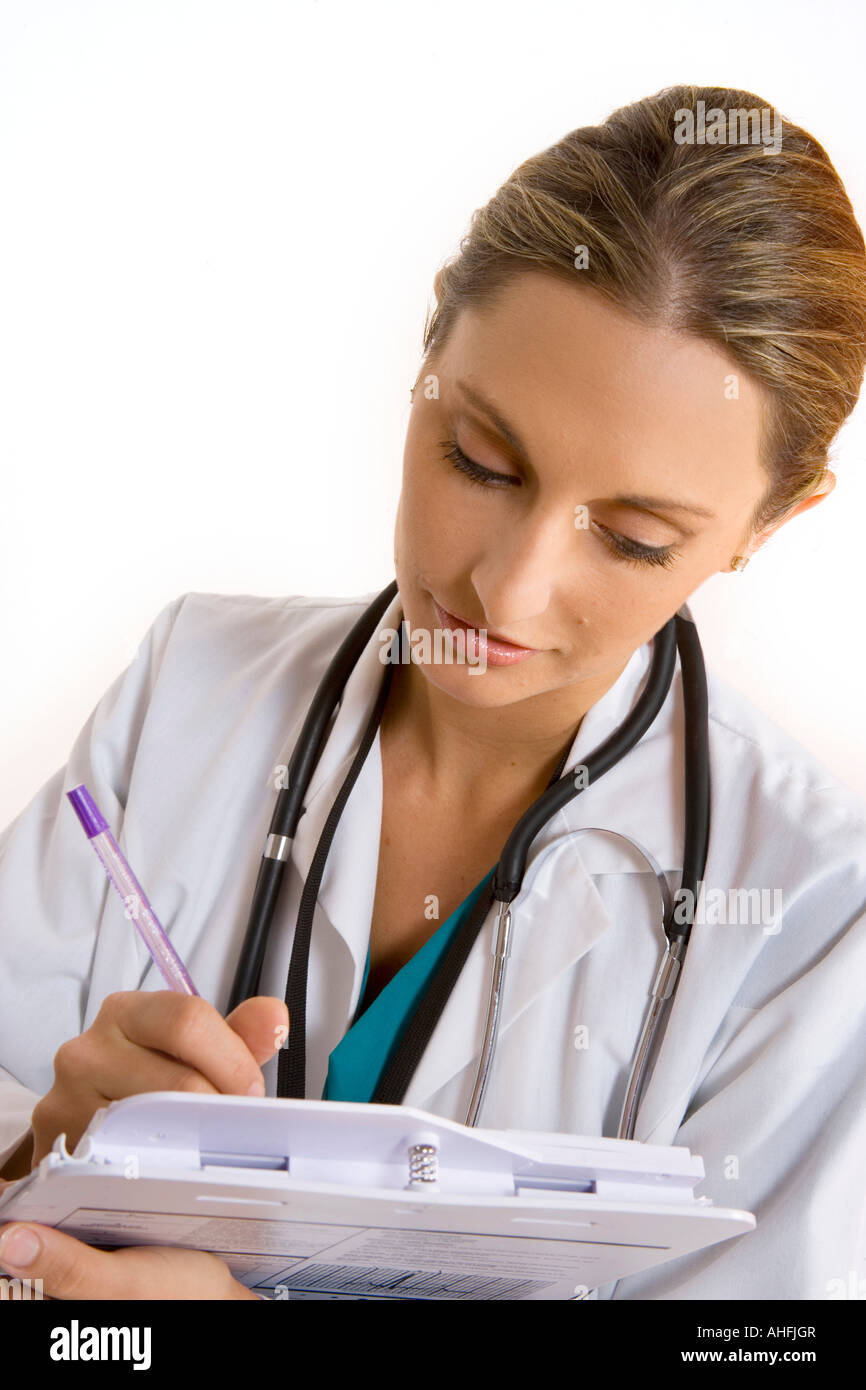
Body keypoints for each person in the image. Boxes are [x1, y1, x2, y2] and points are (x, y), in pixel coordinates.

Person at [1, 82, 865, 1302]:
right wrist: (38, 1157)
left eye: (630, 536)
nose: (503, 594)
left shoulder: (817, 913)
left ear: (765, 526)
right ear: (425, 362)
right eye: (480, 458)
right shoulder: (189, 687)